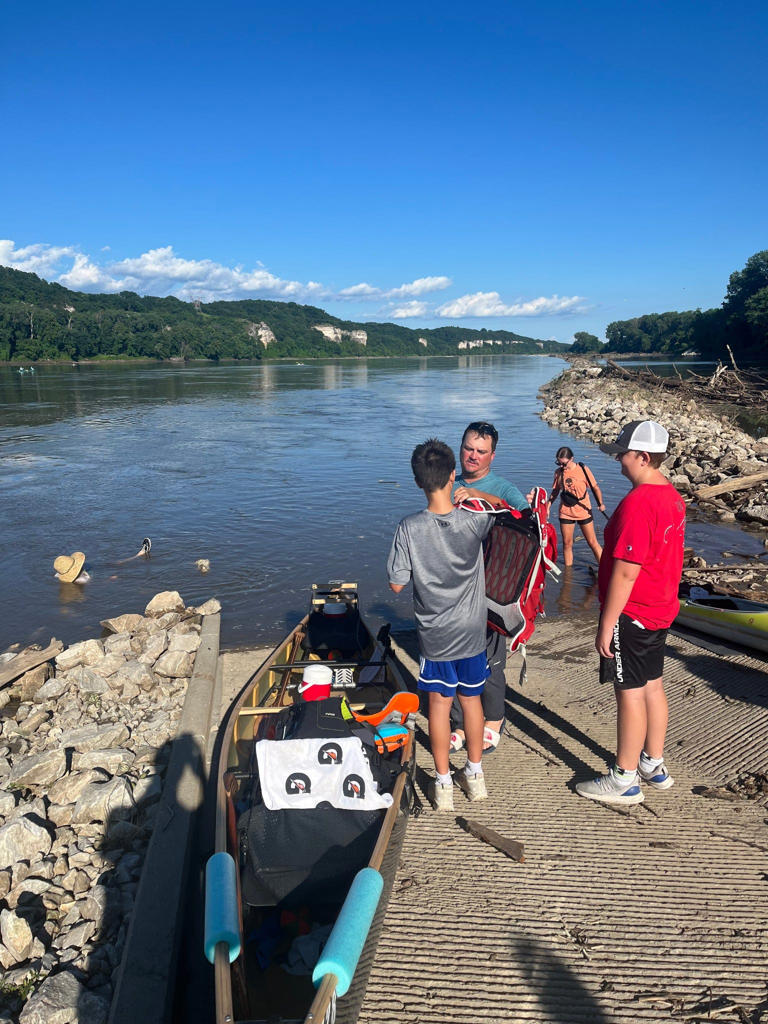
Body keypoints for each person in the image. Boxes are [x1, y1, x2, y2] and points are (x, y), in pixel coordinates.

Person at [575, 420, 685, 805]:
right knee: (652, 685)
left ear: (643, 457)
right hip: (660, 608)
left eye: (623, 453)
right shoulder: (672, 496)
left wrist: (607, 624)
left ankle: (624, 777)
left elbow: (626, 570)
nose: (618, 459)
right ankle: (652, 762)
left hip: (634, 612)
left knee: (630, 693)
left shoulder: (640, 503)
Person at [387, 438, 492, 811]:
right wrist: (476, 494)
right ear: (453, 475)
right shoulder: (475, 519)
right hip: (473, 630)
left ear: (418, 481)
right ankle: (475, 776)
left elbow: (396, 584)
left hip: (435, 635)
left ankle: (444, 784)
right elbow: (513, 511)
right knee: (472, 700)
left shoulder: (409, 527)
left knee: (438, 704)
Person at [451, 421, 529, 754]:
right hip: (454, 589)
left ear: (492, 456)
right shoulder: (449, 482)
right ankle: (459, 722)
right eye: (468, 448)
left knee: (489, 660)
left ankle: (495, 718)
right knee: (454, 657)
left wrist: (480, 496)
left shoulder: (503, 488)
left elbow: (527, 520)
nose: (473, 456)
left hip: (490, 591)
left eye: (481, 451)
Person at [549, 446, 605, 566]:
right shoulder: (558, 472)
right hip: (566, 511)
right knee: (567, 543)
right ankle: (568, 573)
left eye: (564, 463)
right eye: (559, 463)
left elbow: (595, 488)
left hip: (583, 510)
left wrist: (600, 504)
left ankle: (604, 568)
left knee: (592, 542)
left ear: (571, 459)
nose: (561, 466)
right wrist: (548, 505)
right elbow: (555, 491)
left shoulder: (583, 470)